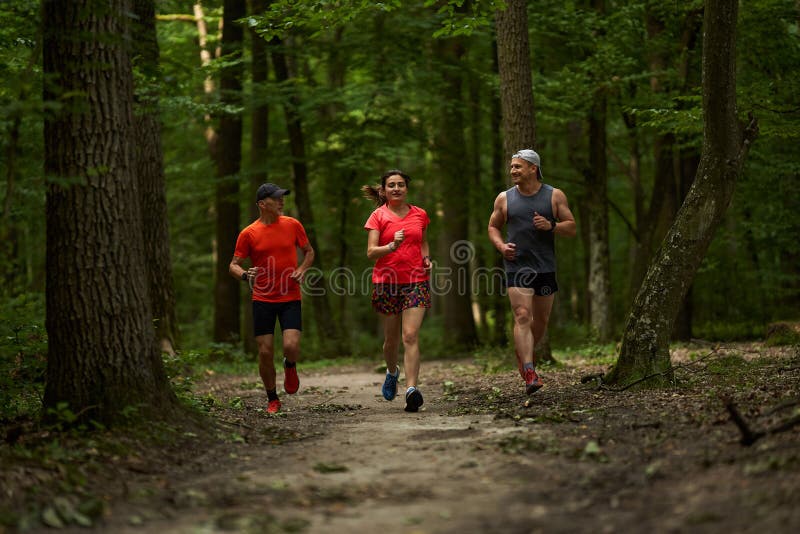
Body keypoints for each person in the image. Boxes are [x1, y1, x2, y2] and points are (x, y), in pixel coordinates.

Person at [487, 149, 576, 394]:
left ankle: (523, 354)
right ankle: (529, 371)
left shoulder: (554, 195)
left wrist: (551, 225)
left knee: (541, 321)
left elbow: (571, 228)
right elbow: (493, 227)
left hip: (545, 267)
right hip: (518, 266)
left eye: (517, 166)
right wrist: (501, 247)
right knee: (522, 315)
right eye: (511, 167)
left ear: (533, 168)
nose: (512, 171)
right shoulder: (504, 198)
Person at [229, 183, 315, 414]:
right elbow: (233, 265)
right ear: (261, 204)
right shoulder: (248, 233)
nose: (281, 201)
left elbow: (309, 251)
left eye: (282, 197)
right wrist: (246, 275)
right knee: (265, 352)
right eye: (276, 198)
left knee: (291, 346)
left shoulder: (292, 224)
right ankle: (272, 398)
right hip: (263, 299)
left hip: (290, 296)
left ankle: (290, 365)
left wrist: (302, 269)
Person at [363, 170, 432, 413]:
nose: (396, 188)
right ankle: (392, 372)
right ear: (384, 190)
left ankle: (412, 389)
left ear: (406, 188)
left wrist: (426, 259)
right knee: (391, 341)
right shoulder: (378, 216)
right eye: (391, 185)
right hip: (387, 282)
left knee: (410, 336)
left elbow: (423, 241)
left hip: (416, 280)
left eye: (400, 184)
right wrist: (392, 245)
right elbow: (371, 252)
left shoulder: (420, 214)